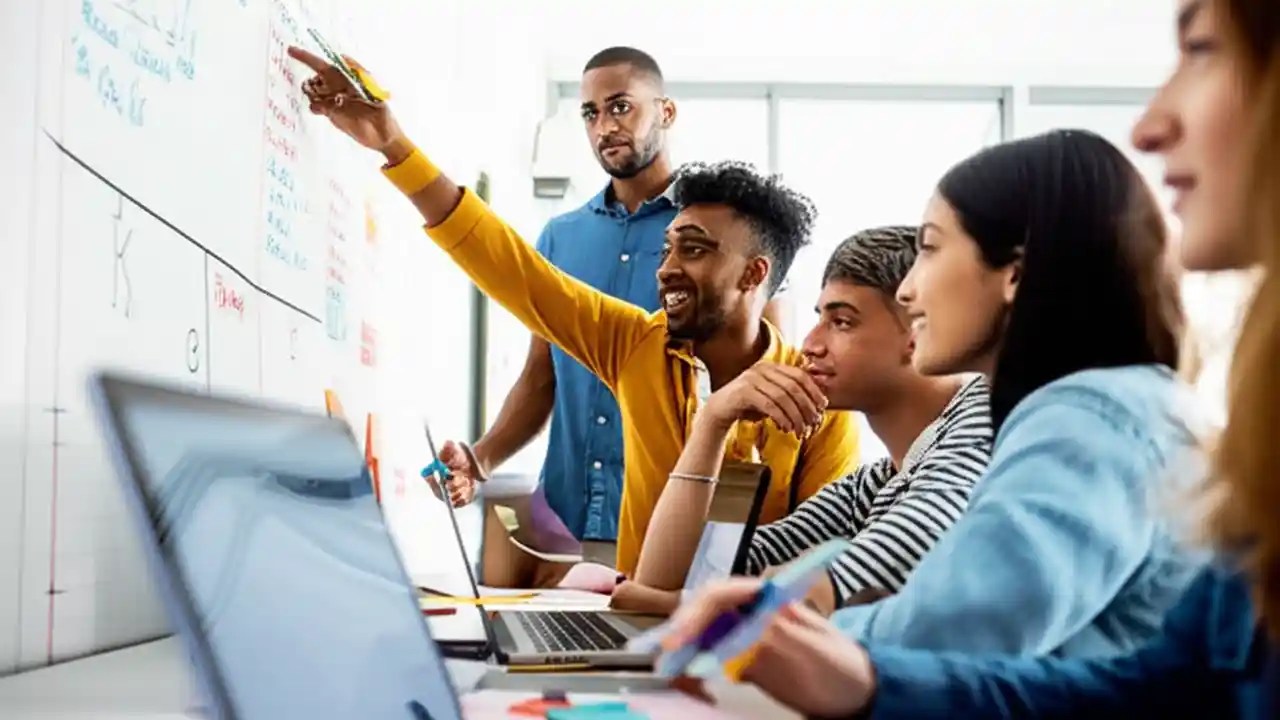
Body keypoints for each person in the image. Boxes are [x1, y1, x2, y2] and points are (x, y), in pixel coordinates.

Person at [655, 1, 1279, 716]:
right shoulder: (1071, 412)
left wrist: (790, 641)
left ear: (1015, 271)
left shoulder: (1083, 413)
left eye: (928, 247)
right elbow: (1166, 685)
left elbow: (955, 628)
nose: (912, 289)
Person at [286, 51, 859, 576]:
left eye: (694, 250)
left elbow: (819, 567)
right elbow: (508, 267)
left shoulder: (819, 406)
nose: (667, 270)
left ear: (755, 275)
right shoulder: (634, 341)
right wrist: (393, 144)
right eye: (668, 248)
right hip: (622, 606)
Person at [437, 47, 787, 548]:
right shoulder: (561, 237)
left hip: (670, 526)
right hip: (561, 523)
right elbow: (542, 377)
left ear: (665, 112)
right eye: (590, 113)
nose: (604, 126)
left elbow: (765, 380)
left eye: (621, 107)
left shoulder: (726, 239)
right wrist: (482, 459)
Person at [620, 226, 993, 616]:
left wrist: (689, 605)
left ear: (919, 331)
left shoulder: (986, 418)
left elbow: (916, 542)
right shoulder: (876, 484)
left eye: (842, 321)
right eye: (819, 319)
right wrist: (712, 423)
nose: (810, 345)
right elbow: (674, 578)